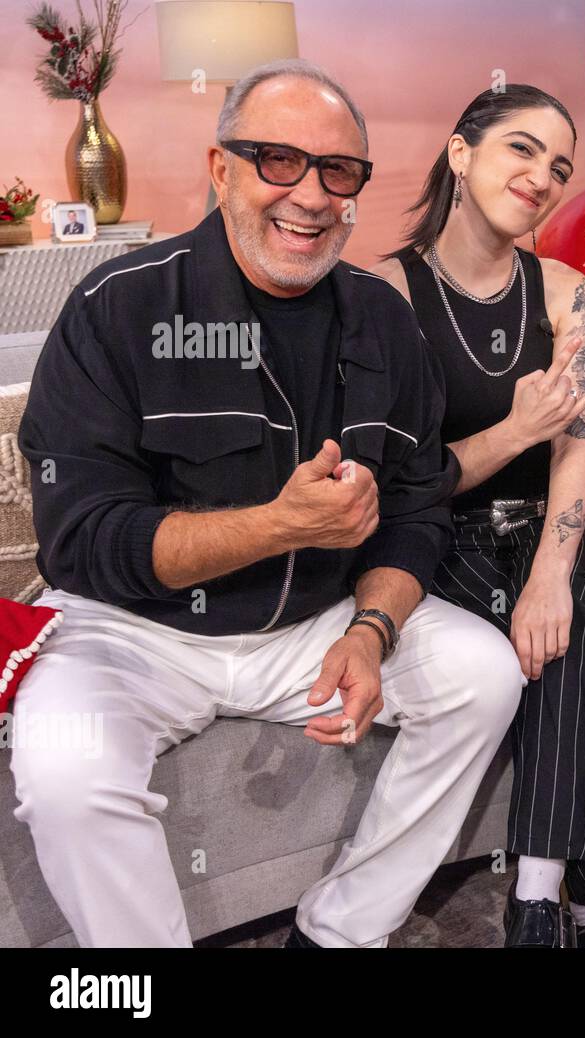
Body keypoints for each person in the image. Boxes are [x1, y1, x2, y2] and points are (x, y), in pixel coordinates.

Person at [12, 59, 524, 948]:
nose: (312, 195)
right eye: (277, 160)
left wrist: (373, 633)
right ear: (221, 169)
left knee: (483, 674)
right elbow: (82, 541)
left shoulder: (381, 320)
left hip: (312, 625)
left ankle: (339, 931)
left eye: (338, 171)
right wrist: (277, 527)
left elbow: (415, 507)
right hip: (133, 630)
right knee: (63, 768)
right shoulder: (118, 307)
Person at [373, 85, 585, 949]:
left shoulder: (566, 293)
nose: (541, 178)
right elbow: (406, 483)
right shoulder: (387, 294)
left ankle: (534, 902)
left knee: (566, 628)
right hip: (443, 532)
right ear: (461, 155)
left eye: (558, 167)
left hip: (556, 524)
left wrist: (548, 579)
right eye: (521, 151)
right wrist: (512, 430)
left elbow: (577, 449)